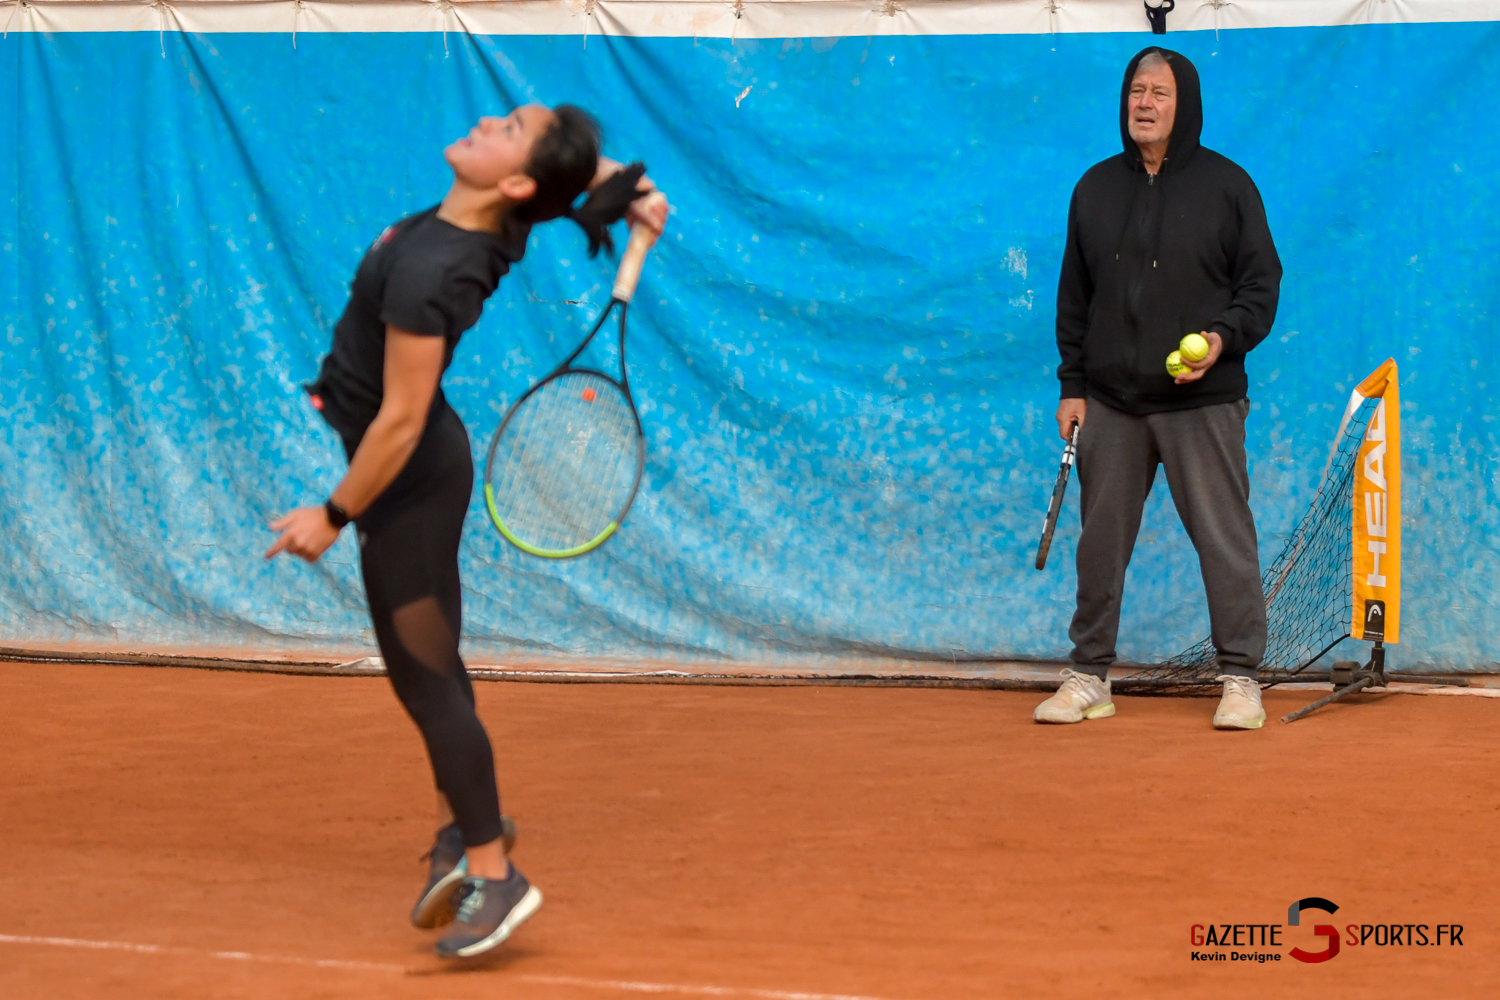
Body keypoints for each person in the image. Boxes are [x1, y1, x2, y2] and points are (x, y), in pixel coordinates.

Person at [264, 104, 667, 958]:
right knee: (439, 665)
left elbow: (400, 422)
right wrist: (622, 191)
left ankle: (494, 871)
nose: (487, 119)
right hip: (419, 472)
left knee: (426, 684)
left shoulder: (434, 272)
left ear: (516, 182)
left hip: (403, 483)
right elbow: (570, 178)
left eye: (509, 128)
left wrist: (331, 515)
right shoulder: (504, 216)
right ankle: (460, 836)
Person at [1036, 47, 1282, 730]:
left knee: (1225, 539)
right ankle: (1088, 676)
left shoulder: (1229, 187)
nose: (1143, 103)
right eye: (1136, 91)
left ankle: (1240, 679)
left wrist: (1223, 340)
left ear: (1186, 106)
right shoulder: (1093, 189)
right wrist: (1073, 386)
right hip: (1111, 401)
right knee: (1100, 543)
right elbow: (1074, 299)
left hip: (1203, 401)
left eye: (1160, 93)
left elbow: (1261, 287)